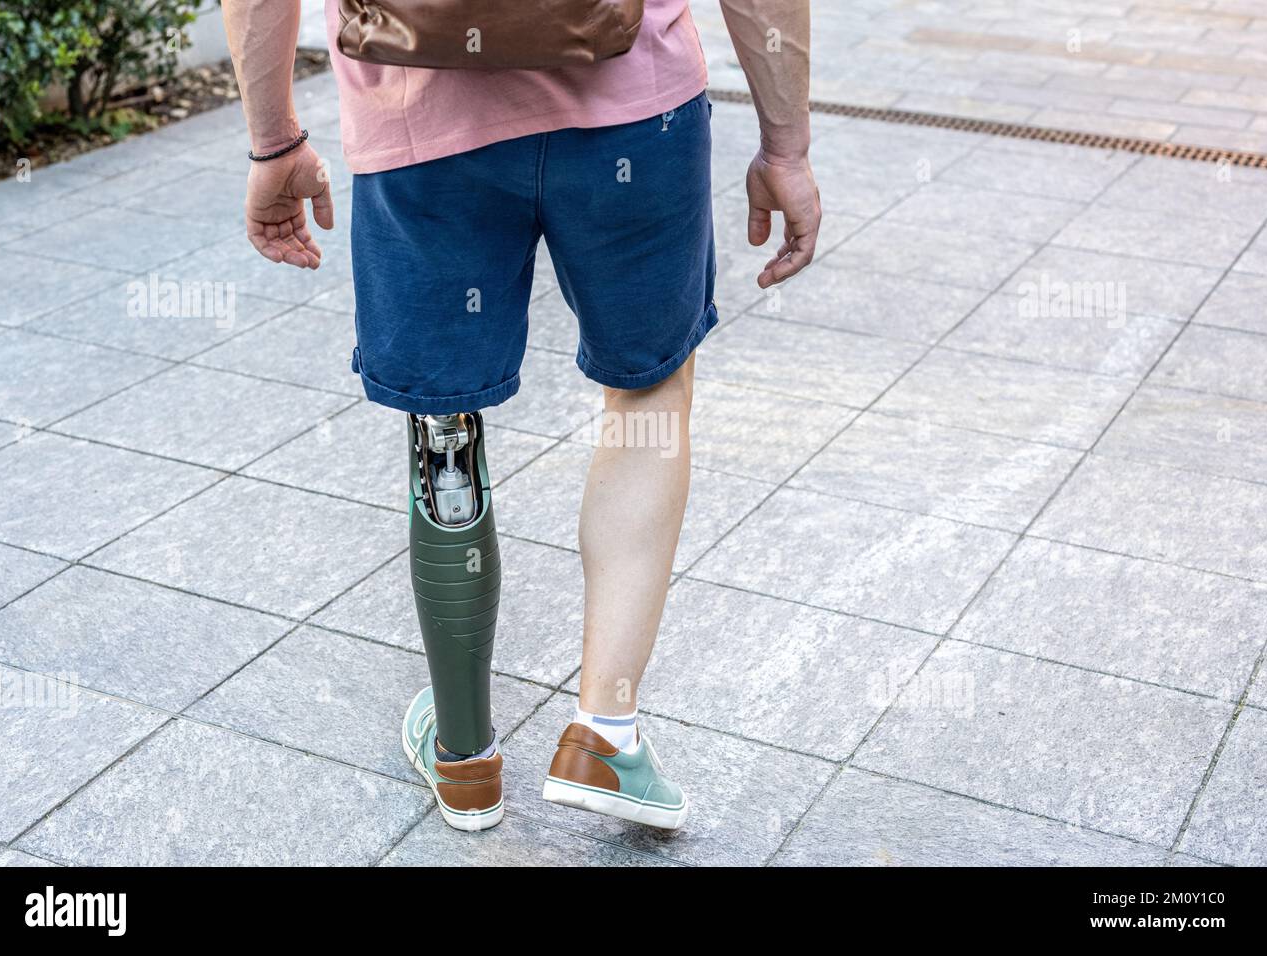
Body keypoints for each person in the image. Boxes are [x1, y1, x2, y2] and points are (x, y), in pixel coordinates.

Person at [222, 0, 820, 832]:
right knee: (647, 398)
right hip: (633, 118)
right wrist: (786, 144)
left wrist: (275, 140)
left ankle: (465, 756)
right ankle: (604, 733)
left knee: (444, 423)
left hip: (417, 123)